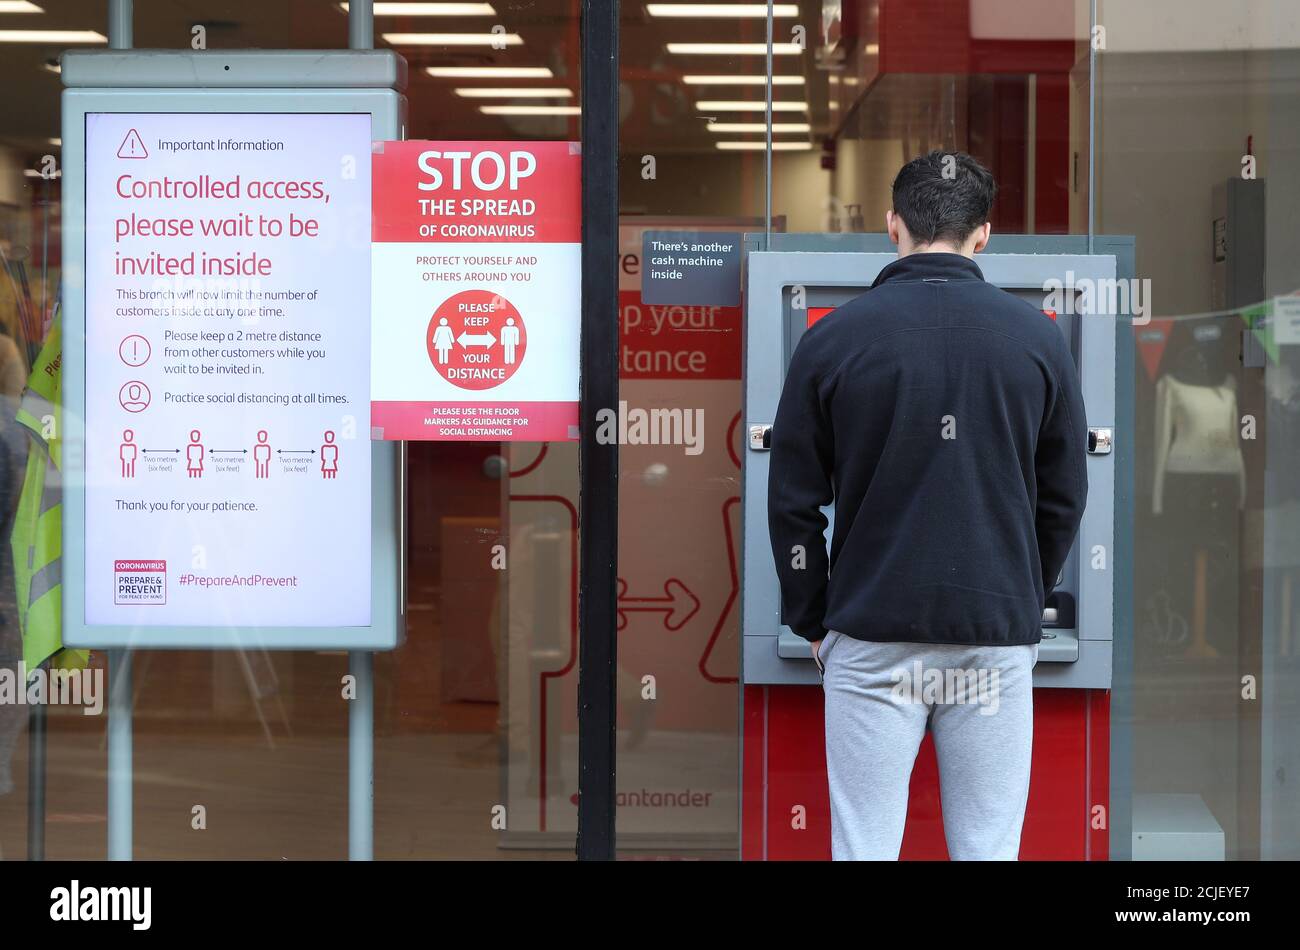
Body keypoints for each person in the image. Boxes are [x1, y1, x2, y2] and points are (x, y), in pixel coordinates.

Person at [767, 150, 1088, 861]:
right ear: (984, 236)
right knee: (987, 846)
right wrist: (1020, 598)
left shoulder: (832, 340)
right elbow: (1064, 494)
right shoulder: (1038, 339)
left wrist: (812, 618)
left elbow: (793, 501)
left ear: (892, 226)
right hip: (992, 635)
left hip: (872, 631)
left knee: (865, 846)